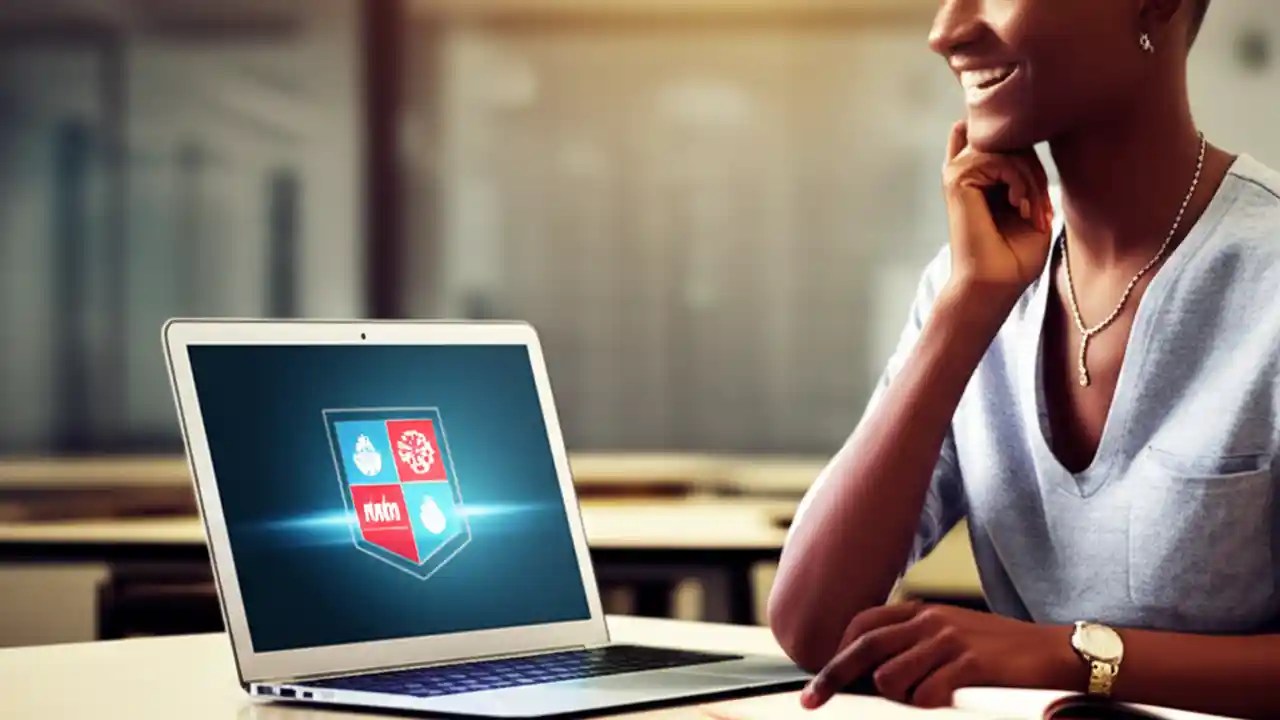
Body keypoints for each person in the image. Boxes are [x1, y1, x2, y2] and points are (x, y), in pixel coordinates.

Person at [768, 0, 1280, 716]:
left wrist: (1062, 653)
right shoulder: (973, 281)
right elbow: (811, 624)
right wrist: (966, 307)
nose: (946, 31)